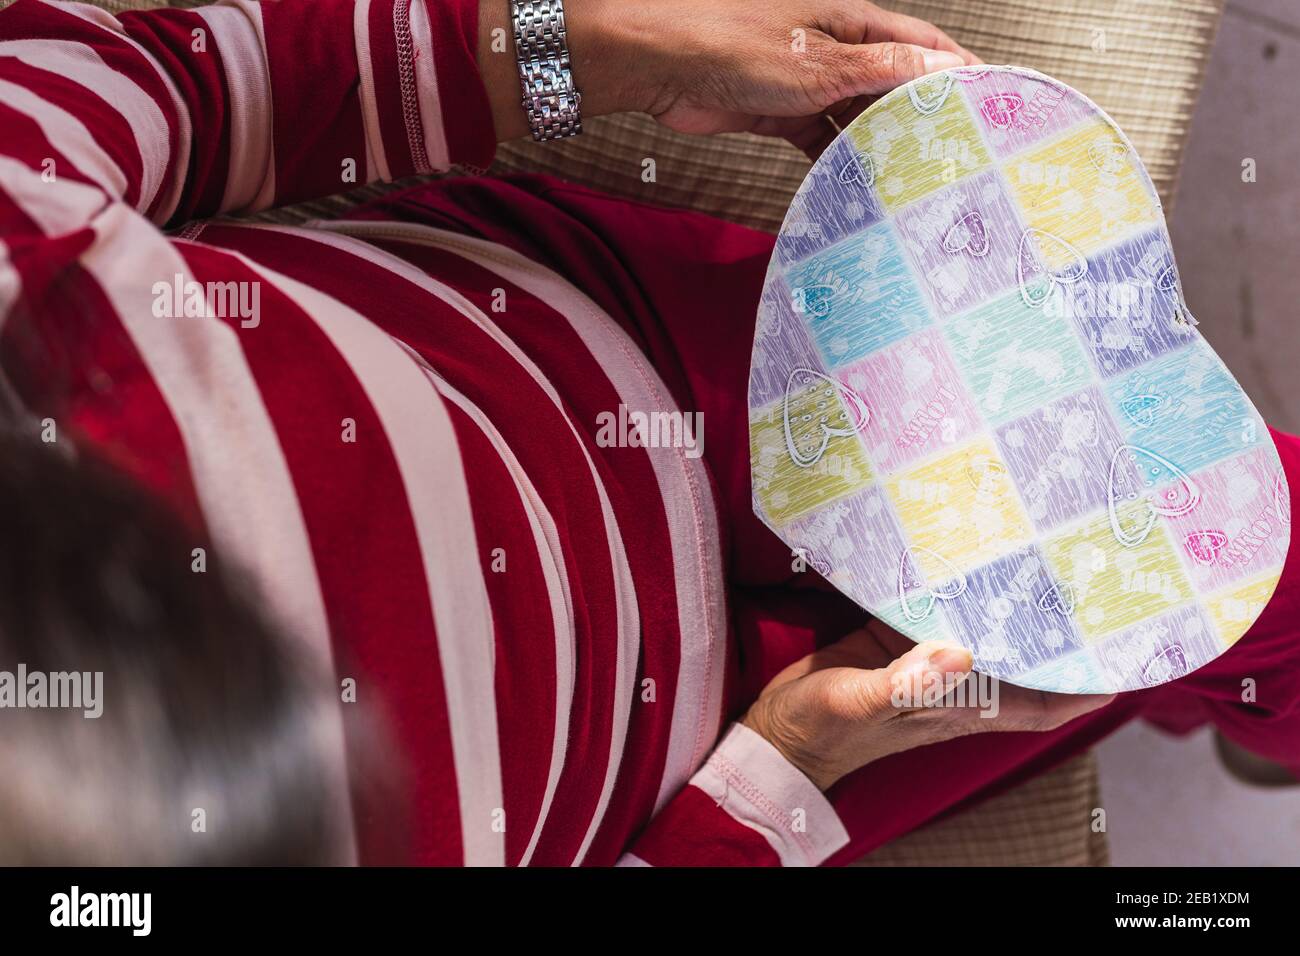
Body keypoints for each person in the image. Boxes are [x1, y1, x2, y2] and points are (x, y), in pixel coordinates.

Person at [0, 0, 1296, 866]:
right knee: (1124, 637)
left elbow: (219, 86)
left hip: (639, 357)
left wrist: (590, 46)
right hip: (713, 763)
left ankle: (1221, 695)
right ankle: (1207, 699)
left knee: (1223, 558)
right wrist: (788, 771)